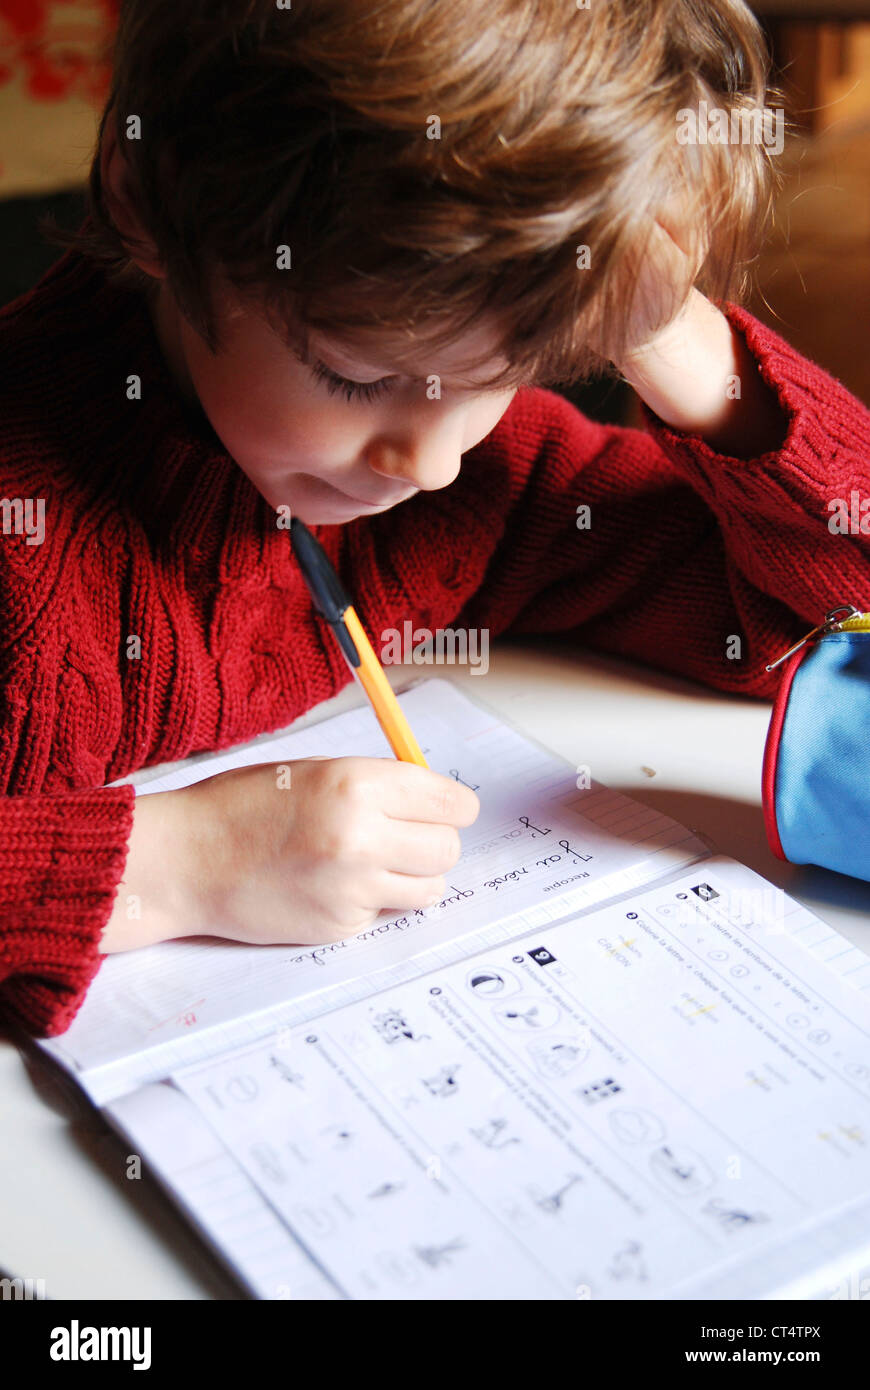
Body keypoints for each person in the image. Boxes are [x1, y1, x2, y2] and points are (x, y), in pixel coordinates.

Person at [1, 0, 868, 1036]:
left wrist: (688, 354)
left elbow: (809, 603)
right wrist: (180, 864)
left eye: (510, 376)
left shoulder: (480, 483)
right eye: (358, 378)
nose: (430, 458)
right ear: (144, 202)